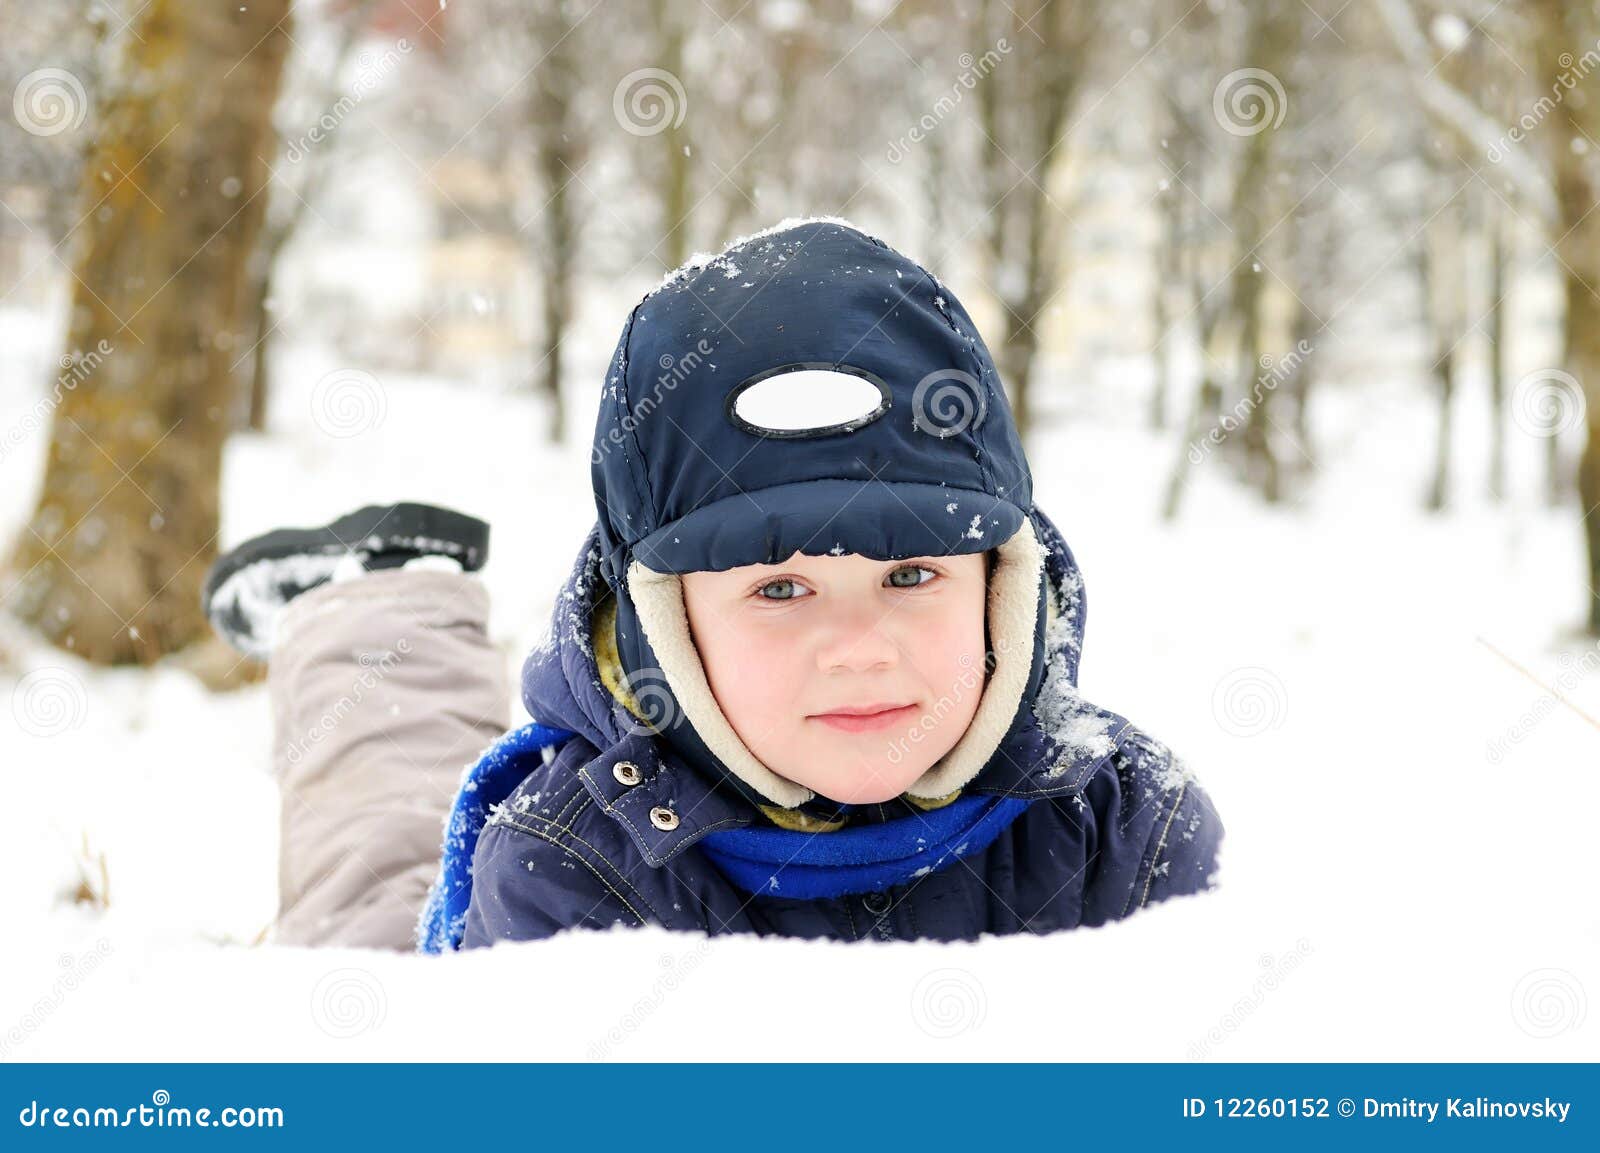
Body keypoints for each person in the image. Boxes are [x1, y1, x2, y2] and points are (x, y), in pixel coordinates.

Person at [203, 218, 1224, 952]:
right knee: (366, 926)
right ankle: (378, 603)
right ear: (665, 628)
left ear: (1005, 592)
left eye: (911, 573)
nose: (861, 644)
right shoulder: (566, 869)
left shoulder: (1124, 824)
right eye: (780, 588)